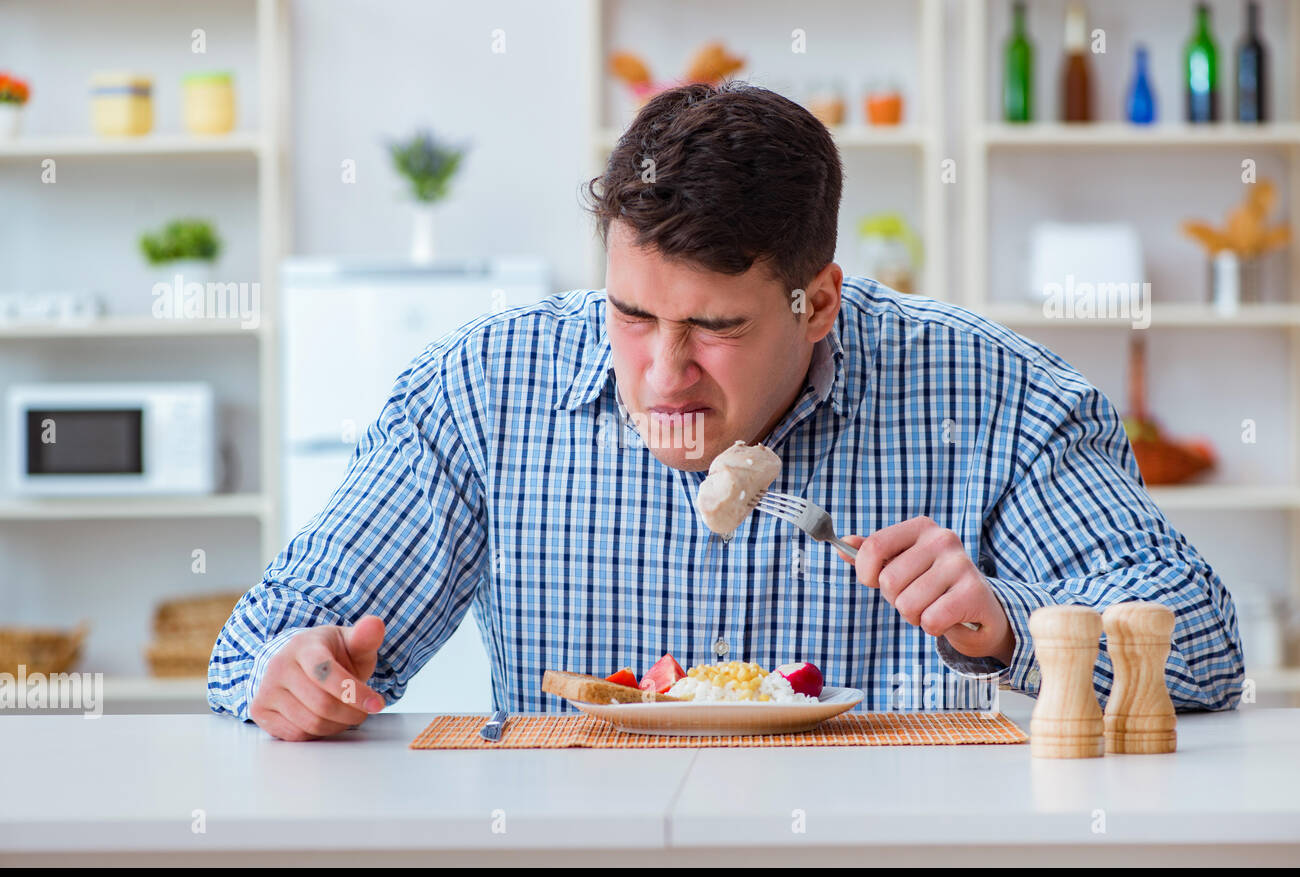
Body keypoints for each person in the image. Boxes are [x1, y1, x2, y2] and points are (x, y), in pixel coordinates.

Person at [209, 81, 1242, 741]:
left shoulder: (997, 396)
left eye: (715, 328)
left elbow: (1203, 654)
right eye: (630, 313)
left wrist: (1005, 625)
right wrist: (294, 674)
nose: (662, 374)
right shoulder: (482, 392)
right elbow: (260, 644)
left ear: (818, 300)